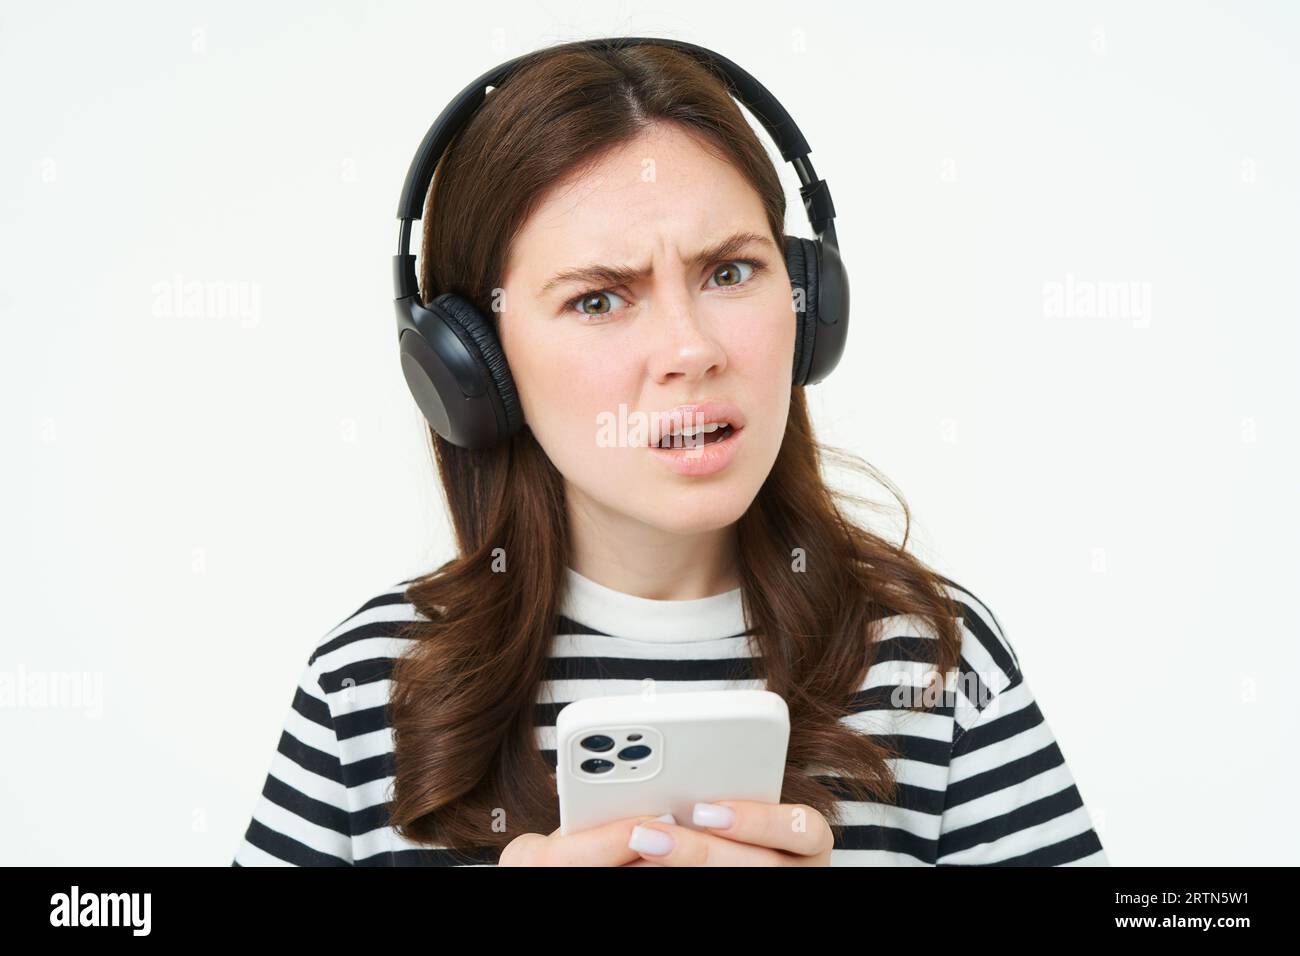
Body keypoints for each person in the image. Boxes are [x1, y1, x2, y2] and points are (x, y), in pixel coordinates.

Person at [233, 37, 1107, 867]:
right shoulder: (371, 688)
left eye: (729, 272)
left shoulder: (932, 662)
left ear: (808, 309)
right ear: (475, 366)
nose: (692, 350)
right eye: (600, 299)